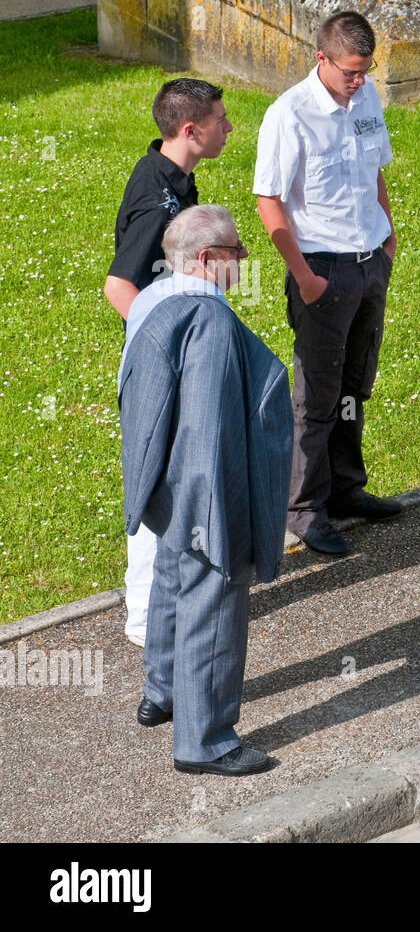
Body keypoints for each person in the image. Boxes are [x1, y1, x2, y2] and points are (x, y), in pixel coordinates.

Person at [119, 206, 292, 775]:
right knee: (214, 601)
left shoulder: (152, 298)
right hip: (204, 484)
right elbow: (208, 427)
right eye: (238, 252)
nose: (245, 261)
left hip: (161, 479)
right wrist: (216, 517)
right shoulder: (210, 323)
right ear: (210, 260)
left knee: (171, 579)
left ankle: (162, 691)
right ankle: (207, 741)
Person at [253, 10, 400, 557]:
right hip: (322, 269)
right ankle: (304, 509)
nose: (359, 81)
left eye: (366, 71)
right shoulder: (288, 114)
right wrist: (305, 278)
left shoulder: (366, 101)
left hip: (369, 263)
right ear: (322, 58)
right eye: (349, 72)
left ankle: (345, 489)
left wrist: (389, 239)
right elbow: (269, 201)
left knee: (355, 383)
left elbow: (376, 170)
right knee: (315, 395)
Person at [105, 78, 232, 647]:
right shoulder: (157, 197)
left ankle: (171, 595)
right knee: (154, 478)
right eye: (220, 121)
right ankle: (143, 617)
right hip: (160, 366)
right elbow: (118, 286)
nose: (228, 129)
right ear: (190, 130)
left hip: (174, 356)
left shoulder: (174, 175)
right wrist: (165, 348)